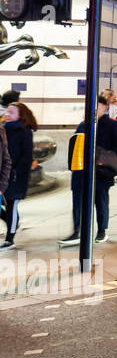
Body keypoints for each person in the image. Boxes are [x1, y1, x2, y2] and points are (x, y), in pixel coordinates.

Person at [61, 92, 117, 245]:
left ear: (105, 107)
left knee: (100, 201)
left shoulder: (113, 125)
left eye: (97, 106)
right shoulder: (83, 125)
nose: (93, 109)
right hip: (81, 171)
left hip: (101, 171)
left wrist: (103, 157)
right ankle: (77, 230)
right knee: (78, 202)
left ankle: (102, 231)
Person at [1, 101, 35, 248]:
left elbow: (27, 155)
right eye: (7, 111)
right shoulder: (3, 130)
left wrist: (15, 172)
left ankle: (10, 238)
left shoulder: (24, 131)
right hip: (4, 175)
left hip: (16, 177)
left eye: (12, 112)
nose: (7, 115)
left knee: (11, 205)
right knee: (7, 209)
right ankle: (12, 221)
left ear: (21, 116)